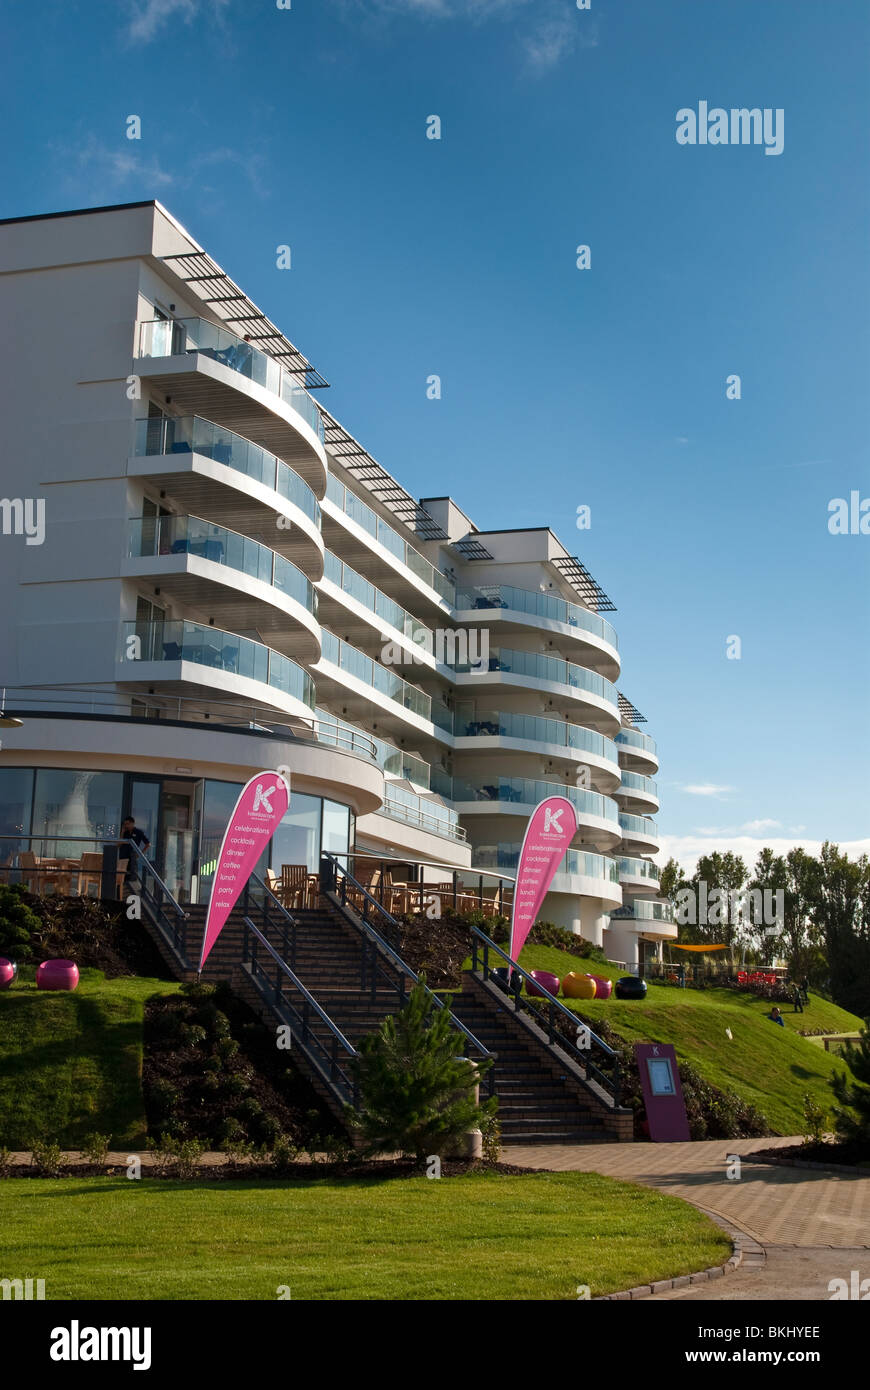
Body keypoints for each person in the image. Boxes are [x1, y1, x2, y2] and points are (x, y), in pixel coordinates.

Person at [118, 816, 150, 887]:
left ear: (133, 823)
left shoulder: (139, 832)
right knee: (122, 876)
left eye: (128, 824)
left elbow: (148, 844)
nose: (126, 826)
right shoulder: (124, 833)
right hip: (123, 856)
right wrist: (122, 832)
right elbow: (118, 844)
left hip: (132, 856)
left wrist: (140, 854)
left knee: (131, 876)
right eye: (125, 824)